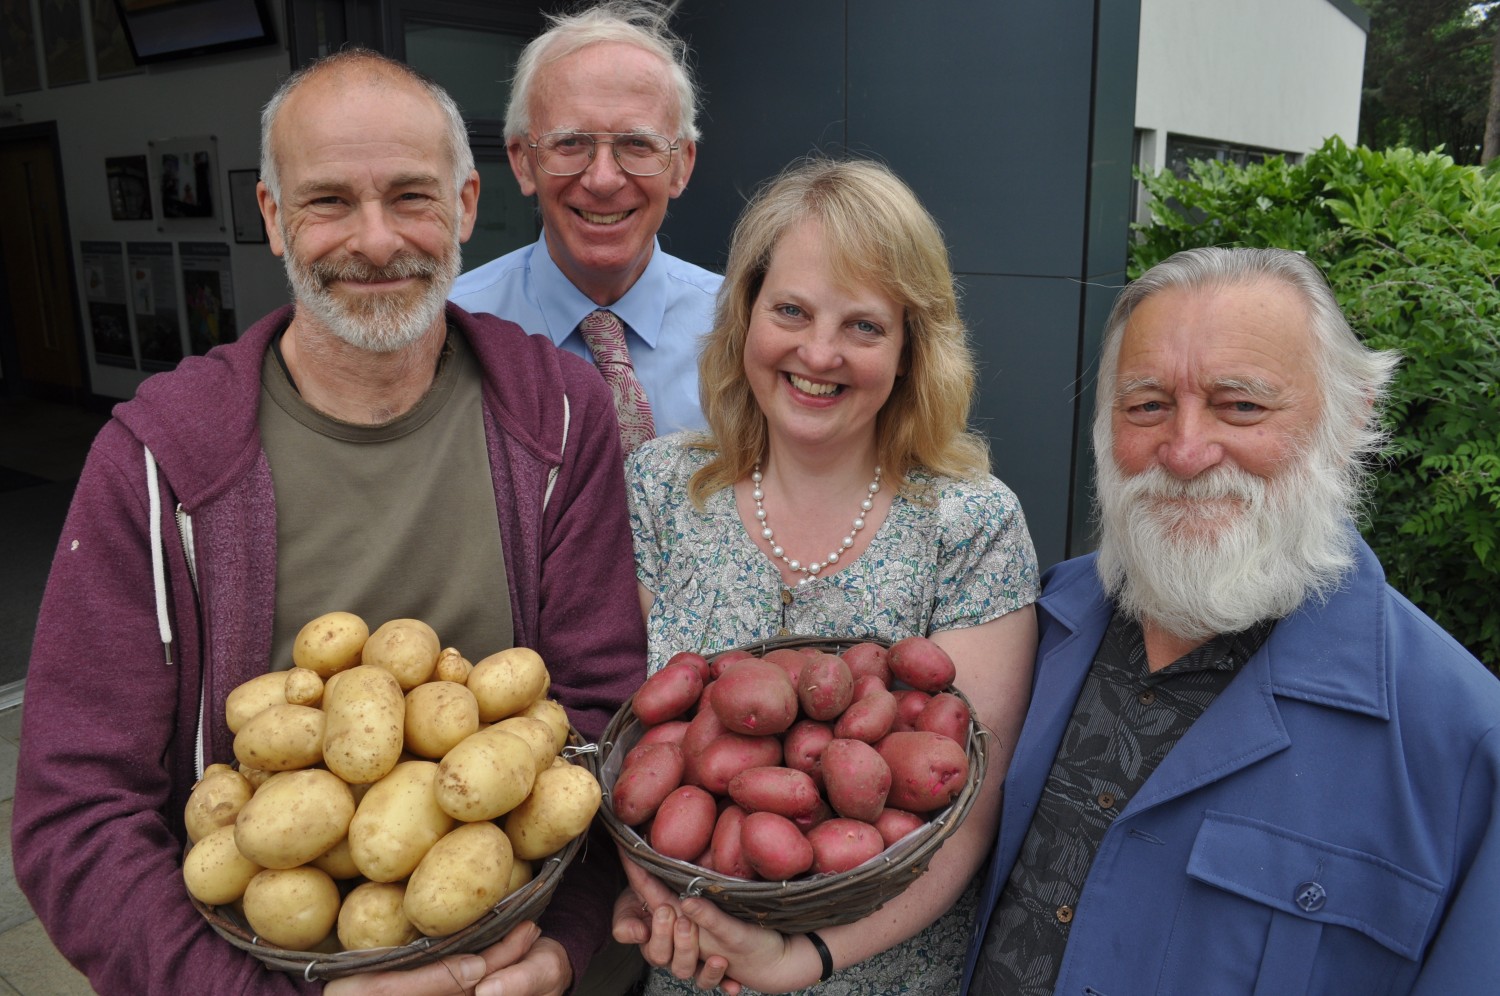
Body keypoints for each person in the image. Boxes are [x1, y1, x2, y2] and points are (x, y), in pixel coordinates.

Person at [10, 49, 645, 996]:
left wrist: (563, 947)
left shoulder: (558, 411)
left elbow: (600, 714)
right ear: (272, 218)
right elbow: (74, 812)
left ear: (467, 205)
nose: (379, 240)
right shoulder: (157, 460)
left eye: (412, 197)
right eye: (329, 201)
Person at [962, 246, 1500, 995]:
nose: (1184, 452)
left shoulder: (1464, 747)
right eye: (1146, 405)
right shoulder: (1032, 623)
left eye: (1242, 405)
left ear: (1351, 421)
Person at [611, 158, 1040, 995]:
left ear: (915, 346)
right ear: (745, 317)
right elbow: (631, 747)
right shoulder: (659, 489)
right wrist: (664, 903)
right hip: (697, 967)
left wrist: (806, 960)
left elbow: (969, 814)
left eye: (864, 327)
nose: (818, 353)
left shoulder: (972, 520)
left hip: (888, 975)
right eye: (792, 311)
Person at [449, 0, 720, 449]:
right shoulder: (452, 329)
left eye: (637, 143)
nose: (603, 179)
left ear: (680, 166)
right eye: (570, 142)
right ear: (521, 162)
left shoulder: (743, 328)